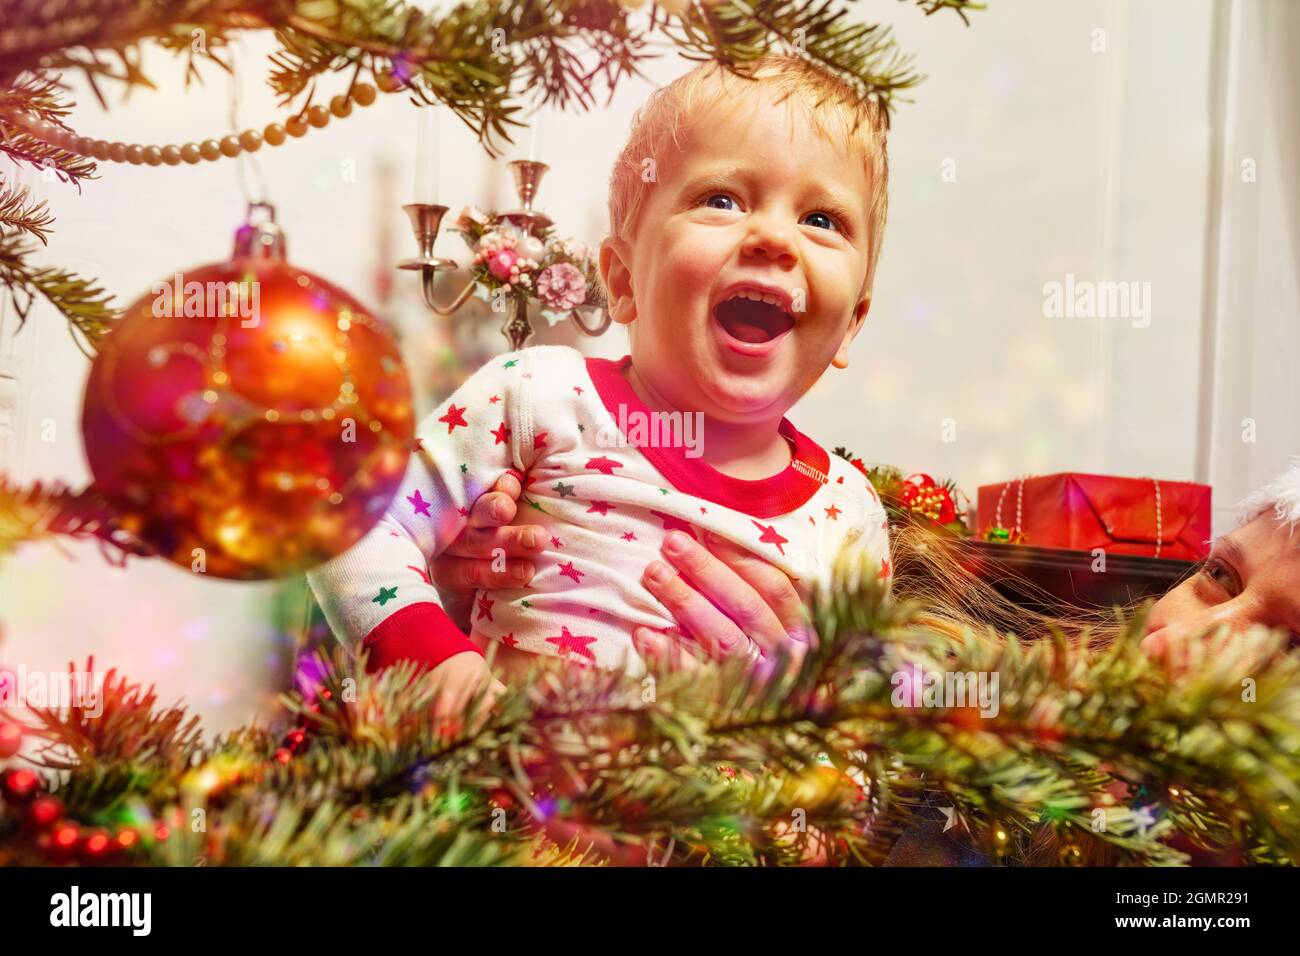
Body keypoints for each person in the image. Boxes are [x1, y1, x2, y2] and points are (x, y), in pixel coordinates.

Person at [305, 53, 893, 717]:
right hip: (502, 809)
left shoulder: (851, 514)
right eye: (720, 200)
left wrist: (811, 713)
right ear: (620, 280)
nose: (774, 237)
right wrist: (447, 681)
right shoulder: (539, 396)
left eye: (822, 219)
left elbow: (859, 758)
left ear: (851, 325)